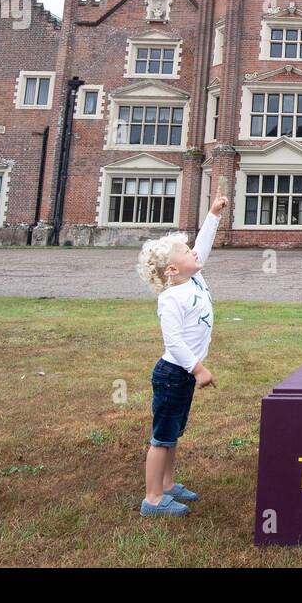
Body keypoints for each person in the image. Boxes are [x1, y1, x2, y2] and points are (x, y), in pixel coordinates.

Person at [133, 194, 228, 517]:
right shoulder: (172, 298)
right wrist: (198, 368)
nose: (194, 253)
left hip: (182, 376)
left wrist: (213, 214)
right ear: (173, 269)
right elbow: (173, 342)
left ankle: (169, 485)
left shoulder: (195, 278)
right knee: (161, 438)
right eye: (186, 252)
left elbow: (203, 246)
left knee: (174, 433)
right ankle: (153, 499)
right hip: (173, 374)